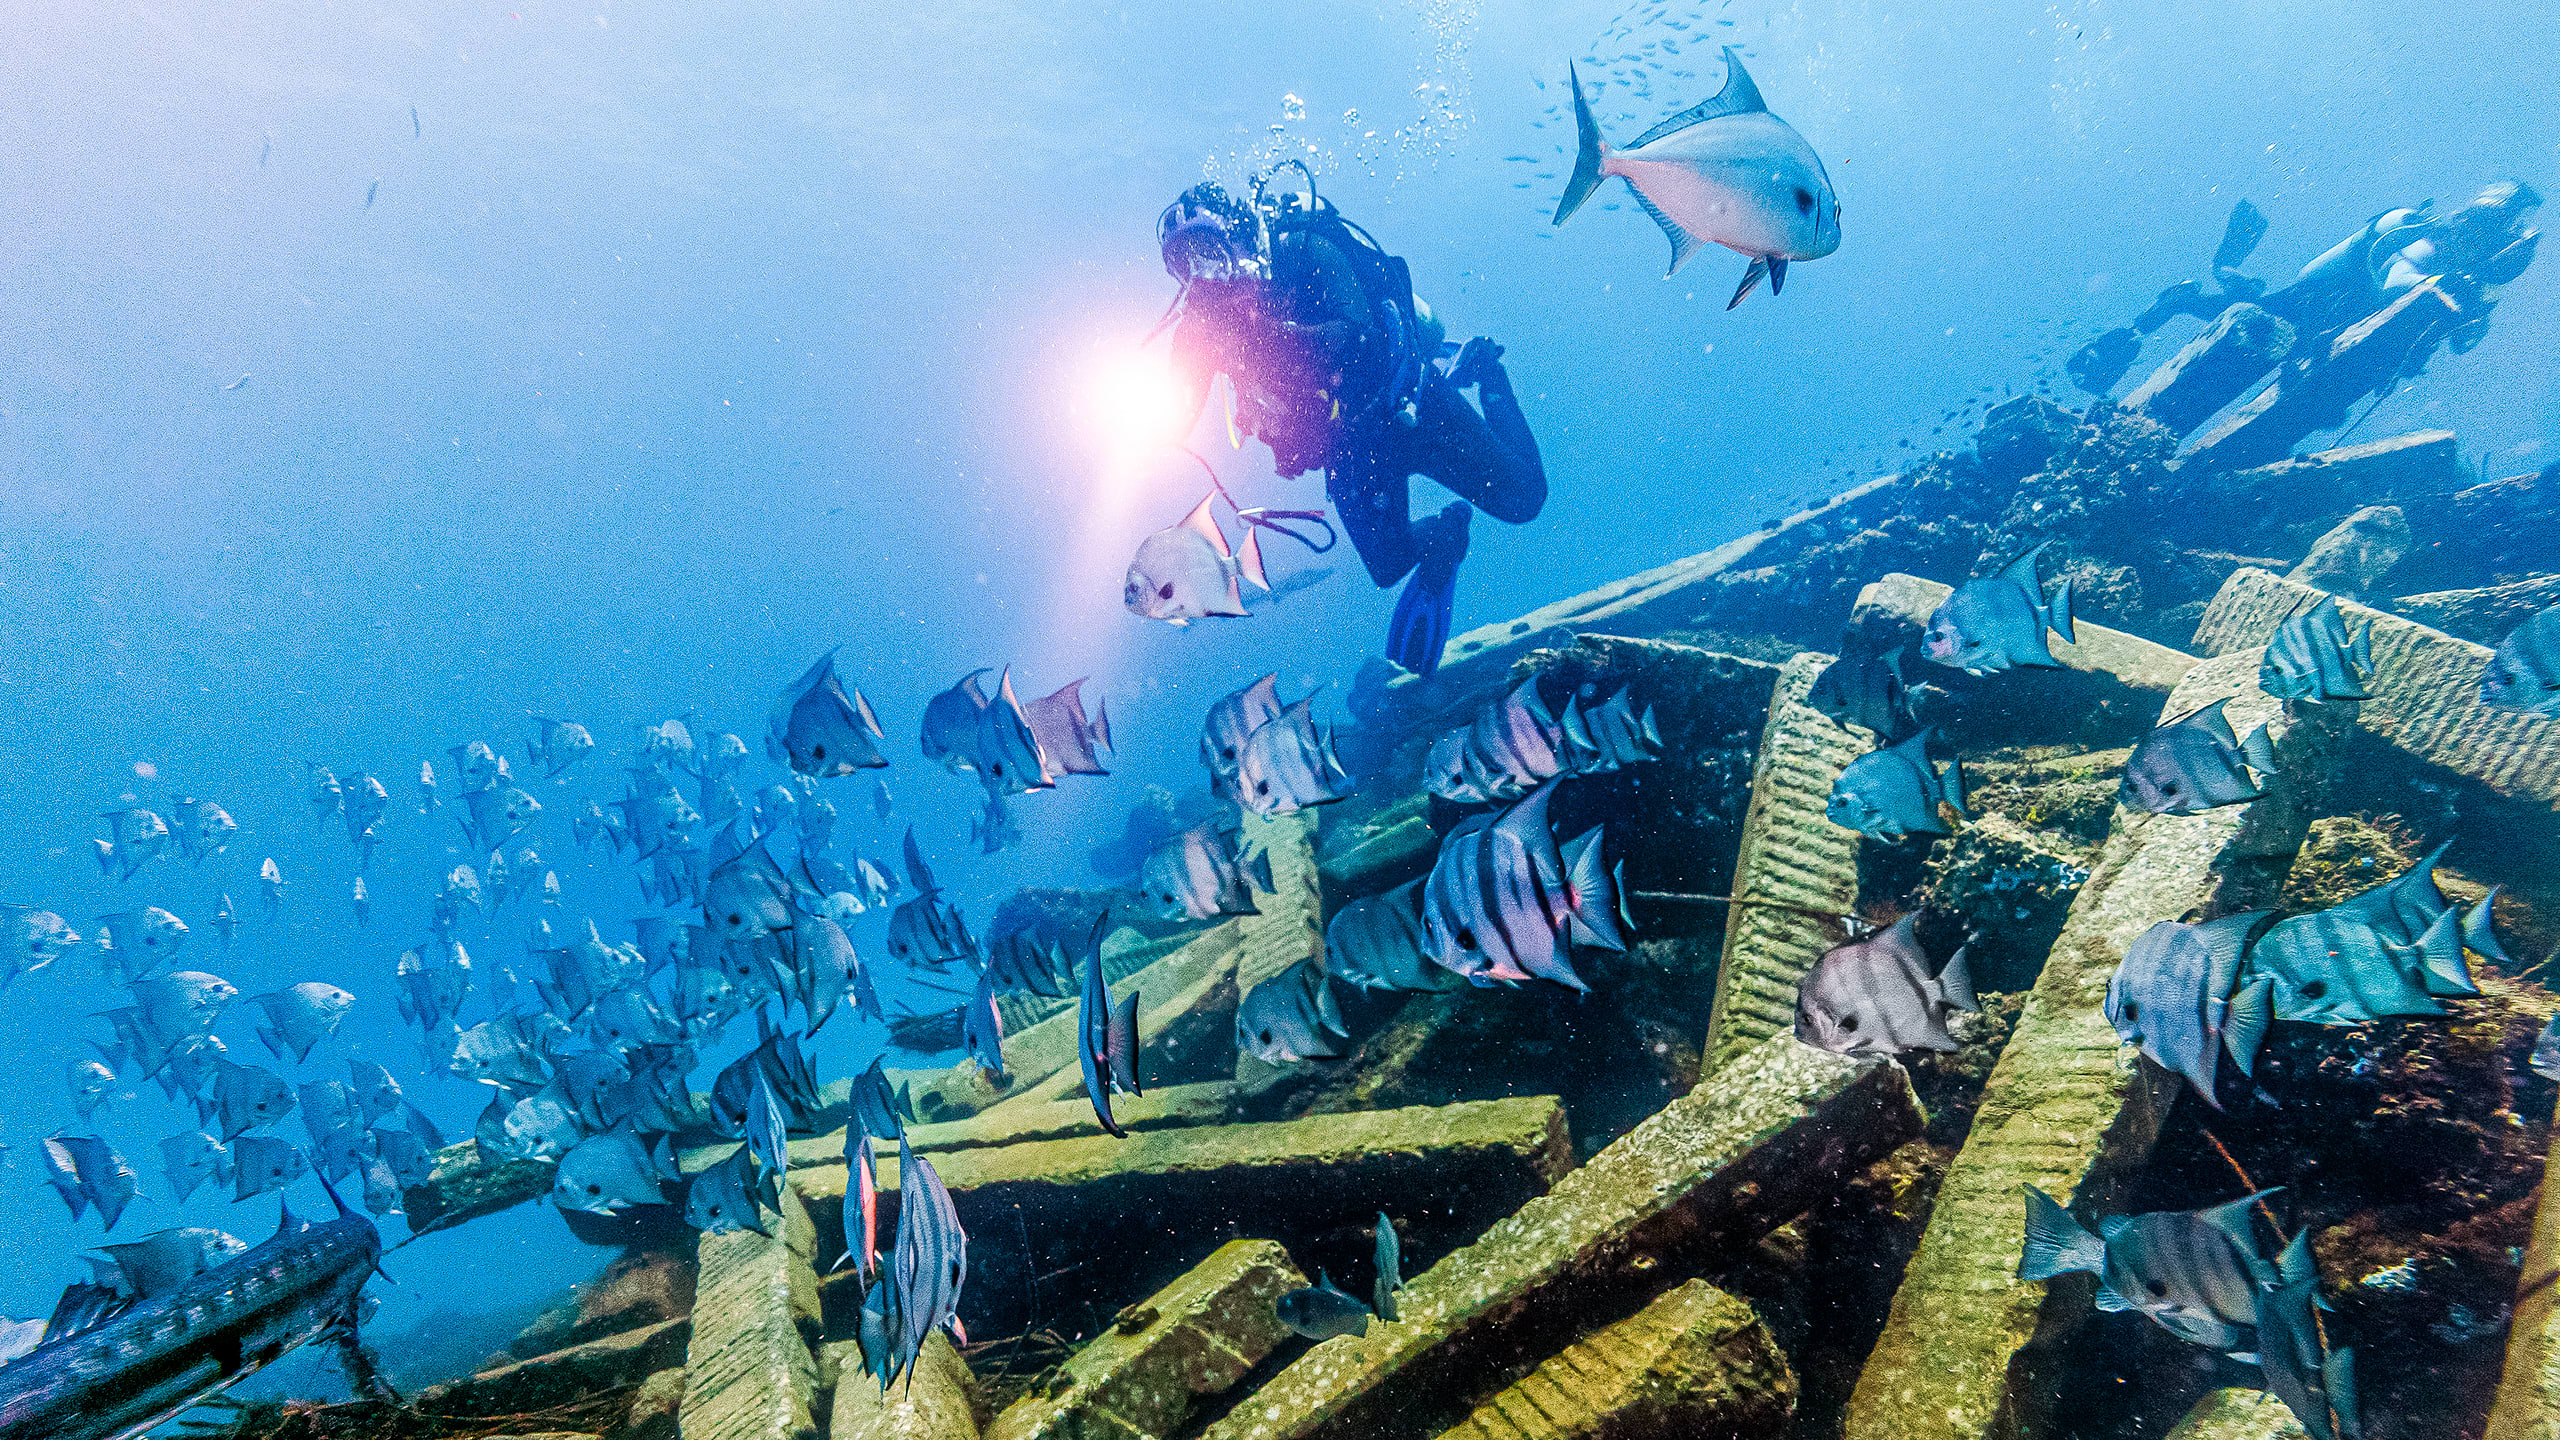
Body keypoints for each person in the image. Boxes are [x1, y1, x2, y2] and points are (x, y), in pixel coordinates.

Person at [1155, 170, 1547, 678]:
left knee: (1524, 499)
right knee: (1387, 566)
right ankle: (1446, 537)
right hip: (1350, 452)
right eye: (1183, 265)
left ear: (1236, 237)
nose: (1201, 274)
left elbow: (1357, 340)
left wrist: (1265, 334)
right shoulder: (1205, 324)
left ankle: (1486, 372)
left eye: (1208, 251)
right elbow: (1176, 415)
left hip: (1408, 407)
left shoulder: (1302, 254)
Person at [2070, 181, 2540, 395]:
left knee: (2274, 344)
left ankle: (2222, 284)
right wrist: (2444, 288)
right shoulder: (2426, 234)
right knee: (2252, 317)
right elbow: (2399, 278)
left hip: (2341, 322)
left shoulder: (2470, 271)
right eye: (2495, 227)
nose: (2490, 240)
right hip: (2320, 301)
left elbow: (2462, 342)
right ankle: (2189, 292)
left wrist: (2482, 299)